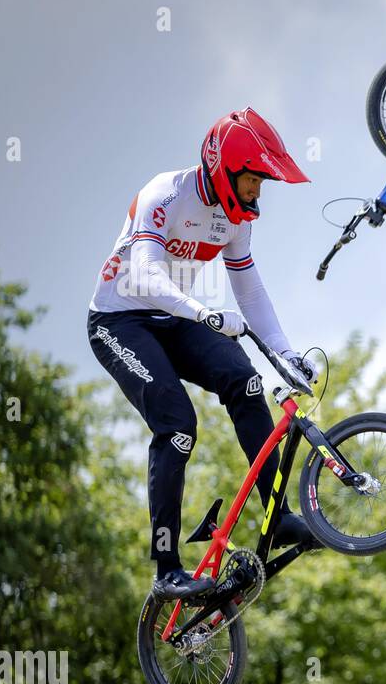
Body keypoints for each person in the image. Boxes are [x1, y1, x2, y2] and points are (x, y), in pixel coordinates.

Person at [88, 108, 319, 600]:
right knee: (177, 429)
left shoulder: (235, 219)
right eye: (253, 181)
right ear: (223, 169)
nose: (257, 194)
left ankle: (276, 517)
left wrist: (285, 353)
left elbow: (249, 291)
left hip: (175, 319)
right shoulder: (165, 194)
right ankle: (166, 568)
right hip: (120, 320)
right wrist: (205, 313)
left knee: (246, 380)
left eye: (262, 184)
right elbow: (145, 277)